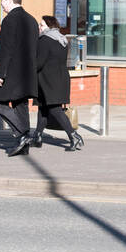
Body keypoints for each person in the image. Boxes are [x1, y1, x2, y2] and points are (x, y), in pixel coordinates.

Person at [0, 0, 38, 156]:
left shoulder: (10, 20)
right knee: (21, 106)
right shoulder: (32, 20)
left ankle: (23, 134)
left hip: (11, 73)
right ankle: (23, 145)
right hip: (27, 74)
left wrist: (0, 74)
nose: (1, 4)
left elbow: (6, 49)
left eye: (2, 0)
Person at [31, 15, 83, 152]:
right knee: (43, 108)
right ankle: (37, 137)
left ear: (49, 26)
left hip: (48, 80)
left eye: (41, 25)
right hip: (59, 78)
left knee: (55, 109)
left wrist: (28, 70)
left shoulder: (45, 40)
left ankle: (74, 136)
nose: (39, 27)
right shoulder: (62, 39)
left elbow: (39, 62)